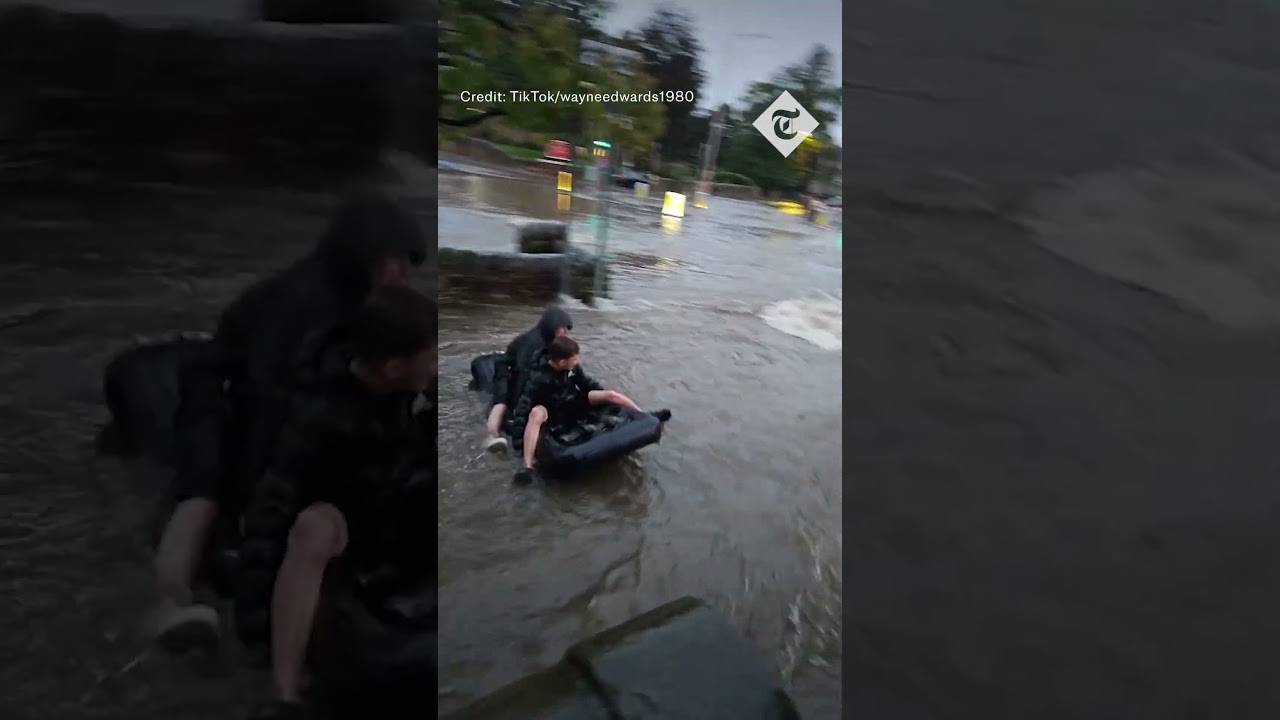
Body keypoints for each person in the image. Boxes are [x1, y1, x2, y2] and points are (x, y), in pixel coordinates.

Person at [149, 189, 426, 654]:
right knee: (203, 489)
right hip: (215, 395)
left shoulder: (349, 299)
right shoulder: (304, 309)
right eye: (397, 263)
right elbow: (272, 406)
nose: (404, 277)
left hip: (246, 391)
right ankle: (167, 600)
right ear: (366, 256)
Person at [234, 285, 436, 720]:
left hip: (389, 519)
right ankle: (284, 692)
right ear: (396, 367)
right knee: (315, 525)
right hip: (346, 534)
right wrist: (255, 620)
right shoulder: (319, 421)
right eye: (431, 358)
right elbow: (271, 513)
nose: (436, 366)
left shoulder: (412, 392)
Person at [508, 336, 670, 485]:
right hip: (550, 411)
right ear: (562, 362)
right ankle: (527, 466)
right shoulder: (538, 378)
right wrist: (517, 441)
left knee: (611, 395)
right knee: (536, 412)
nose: (577, 360)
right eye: (575, 358)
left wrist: (604, 402)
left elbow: (587, 383)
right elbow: (523, 407)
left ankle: (642, 416)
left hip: (573, 402)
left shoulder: (572, 368)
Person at [483, 305, 573, 453]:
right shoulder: (533, 345)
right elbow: (524, 377)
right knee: (502, 402)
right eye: (563, 329)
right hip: (506, 370)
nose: (566, 333)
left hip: (518, 369)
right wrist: (517, 411)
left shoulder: (549, 340)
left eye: (567, 329)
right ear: (552, 327)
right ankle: (490, 436)